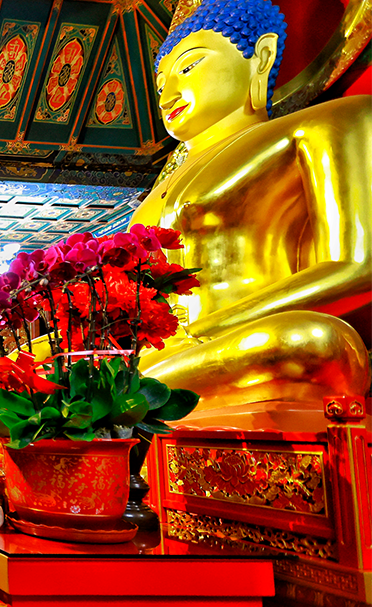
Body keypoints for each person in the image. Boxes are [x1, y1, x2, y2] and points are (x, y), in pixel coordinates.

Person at [133, 0, 369, 411]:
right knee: (33, 365)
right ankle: (126, 390)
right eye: (160, 85)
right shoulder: (157, 193)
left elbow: (356, 264)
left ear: (261, 56)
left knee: (313, 341)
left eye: (189, 67)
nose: (167, 96)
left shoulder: (324, 124)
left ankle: (126, 394)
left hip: (252, 342)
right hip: (167, 356)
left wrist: (208, 328)